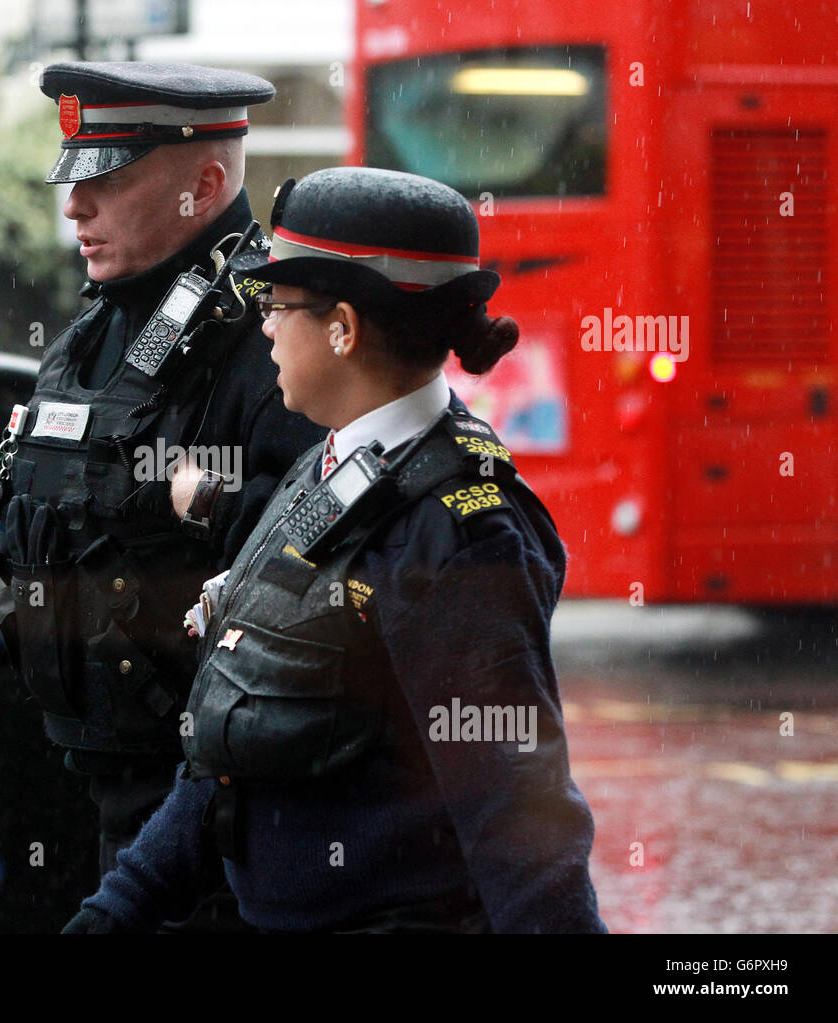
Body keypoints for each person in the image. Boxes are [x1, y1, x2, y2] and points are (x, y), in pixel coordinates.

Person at [62, 166, 608, 933]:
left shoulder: (456, 533)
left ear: (343, 327)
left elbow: (520, 822)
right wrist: (110, 915)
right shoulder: (333, 469)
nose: (263, 326)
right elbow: (226, 767)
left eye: (277, 305)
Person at [0, 61, 324, 919]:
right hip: (82, 778)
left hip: (207, 817)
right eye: (74, 182)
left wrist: (204, 500)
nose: (74, 209)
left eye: (106, 181)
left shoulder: (271, 340)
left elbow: (318, 562)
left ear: (204, 184)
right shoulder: (97, 331)